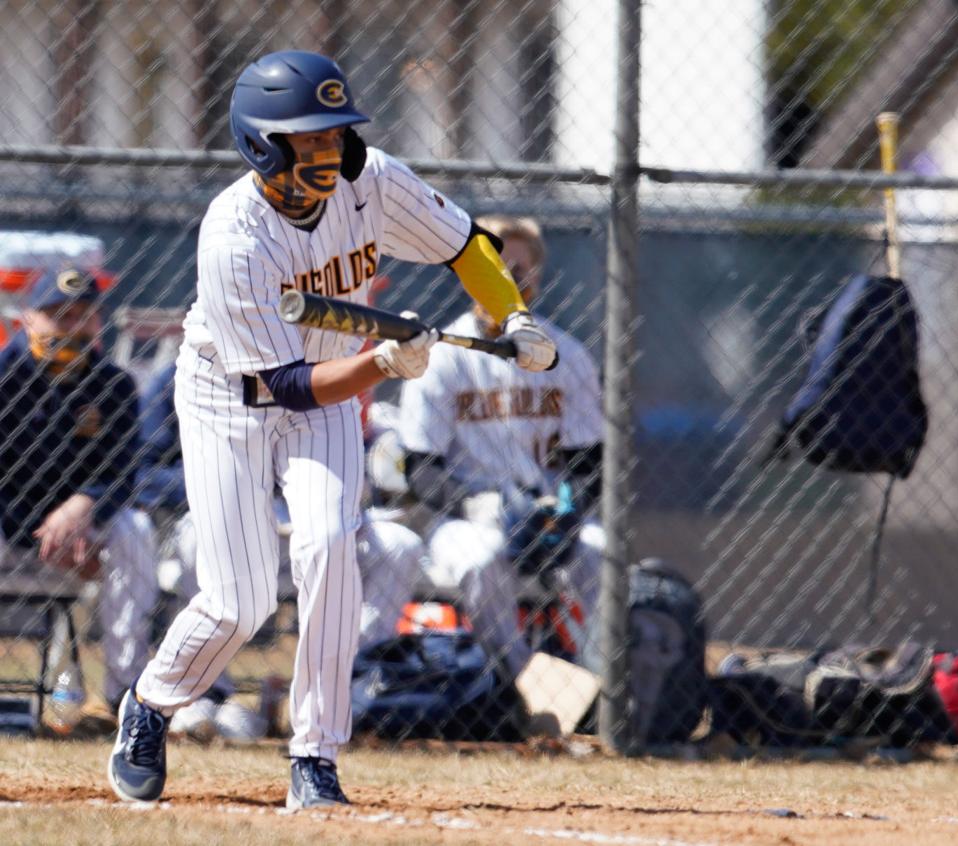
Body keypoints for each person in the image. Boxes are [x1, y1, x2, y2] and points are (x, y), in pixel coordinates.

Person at [107, 51, 555, 808]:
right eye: (304, 138)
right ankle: (150, 704)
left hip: (329, 391)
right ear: (260, 143)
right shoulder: (233, 235)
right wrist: (384, 361)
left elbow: (465, 242)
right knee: (239, 599)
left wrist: (512, 314)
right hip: (229, 397)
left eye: (331, 135)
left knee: (329, 549)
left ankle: (315, 756)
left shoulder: (371, 180)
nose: (324, 151)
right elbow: (278, 384)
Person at [136, 360, 426, 741]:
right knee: (197, 539)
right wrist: (230, 487)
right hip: (233, 518)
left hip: (315, 518)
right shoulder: (189, 370)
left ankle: (350, 684)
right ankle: (207, 693)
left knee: (399, 546)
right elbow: (146, 472)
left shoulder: (332, 357)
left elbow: (370, 454)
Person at [395, 215, 604, 680]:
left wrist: (570, 507)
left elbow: (590, 460)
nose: (509, 280)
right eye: (494, 268)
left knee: (597, 549)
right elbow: (421, 468)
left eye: (520, 269)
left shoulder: (566, 355)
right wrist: (478, 504)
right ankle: (521, 687)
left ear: (539, 277)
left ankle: (602, 691)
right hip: (467, 516)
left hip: (551, 514)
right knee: (483, 560)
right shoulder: (442, 356)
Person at [0, 268, 157, 712]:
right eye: (58, 315)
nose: (71, 326)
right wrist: (40, 530)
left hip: (86, 537)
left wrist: (86, 508)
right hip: (11, 533)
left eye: (83, 316)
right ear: (27, 319)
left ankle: (126, 695)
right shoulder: (3, 378)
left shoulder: (114, 385)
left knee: (136, 530)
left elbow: (123, 473)